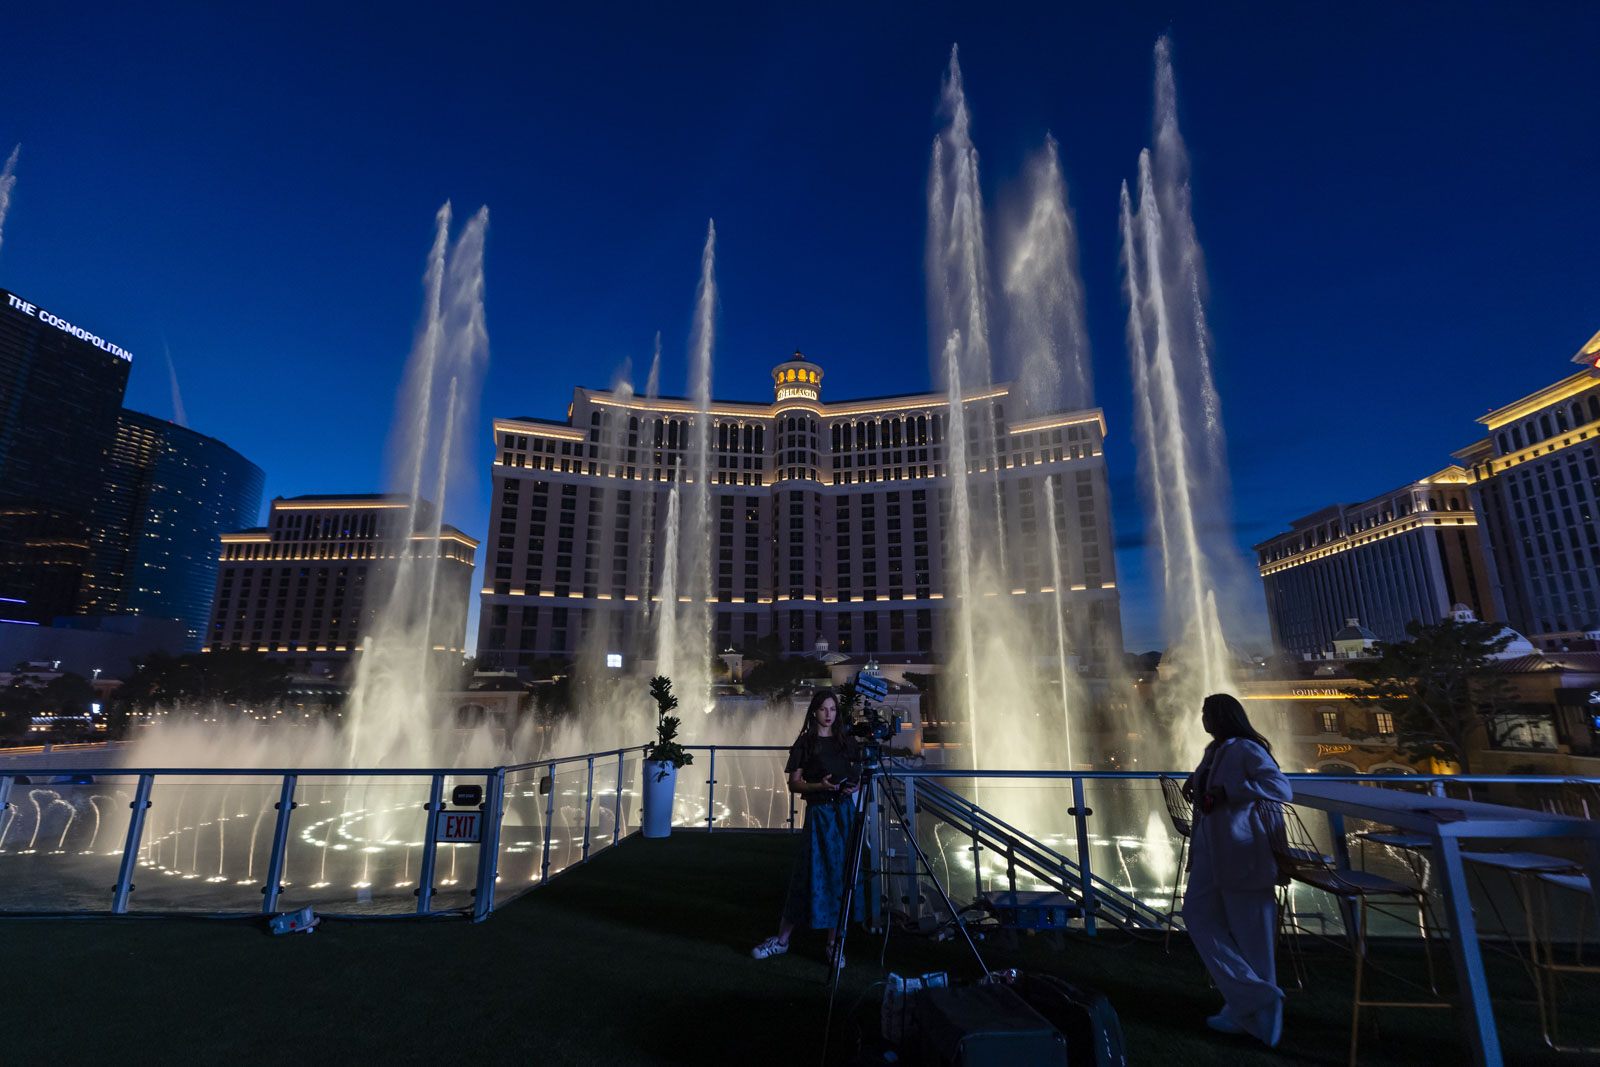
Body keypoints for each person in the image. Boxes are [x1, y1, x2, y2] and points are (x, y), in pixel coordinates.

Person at [1181, 692, 1293, 1048]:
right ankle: (1255, 996)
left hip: (1242, 851)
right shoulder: (1213, 753)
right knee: (1197, 916)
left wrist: (1229, 792)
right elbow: (1209, 792)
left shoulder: (1246, 748)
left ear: (1224, 717)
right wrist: (1194, 783)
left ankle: (1257, 1019)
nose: (1203, 719)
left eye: (1207, 713)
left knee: (1253, 937)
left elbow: (1280, 787)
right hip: (1209, 851)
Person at [750, 688, 863, 967]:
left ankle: (834, 945)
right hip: (820, 814)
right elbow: (794, 783)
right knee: (808, 873)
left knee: (840, 875)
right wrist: (819, 786)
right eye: (824, 709)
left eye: (833, 709)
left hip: (843, 814)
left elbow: (857, 774)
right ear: (814, 711)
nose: (829, 715)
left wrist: (854, 786)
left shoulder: (844, 742)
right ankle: (782, 941)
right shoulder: (805, 744)